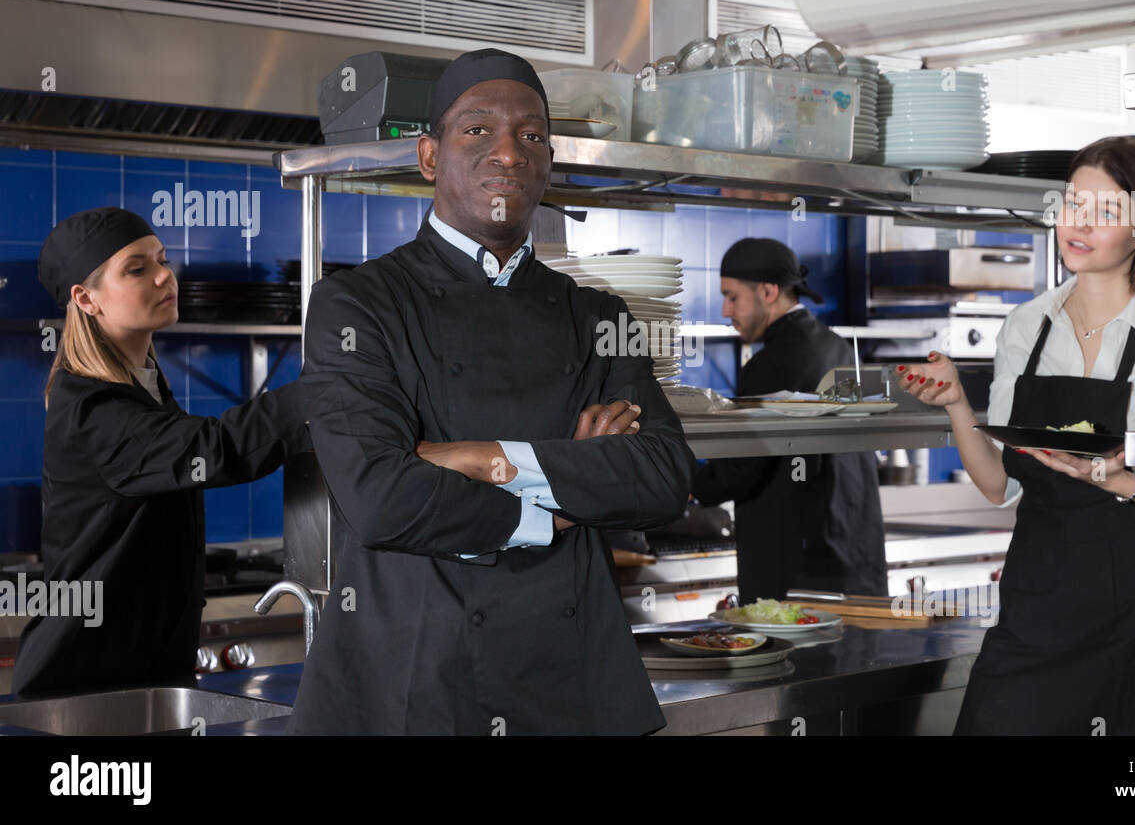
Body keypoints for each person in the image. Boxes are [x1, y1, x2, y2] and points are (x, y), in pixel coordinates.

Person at [286, 48, 695, 736]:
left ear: (548, 161)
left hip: (572, 687)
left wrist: (474, 456)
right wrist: (559, 504)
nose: (508, 152)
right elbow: (382, 499)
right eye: (478, 129)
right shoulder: (356, 305)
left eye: (531, 135)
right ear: (427, 156)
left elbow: (662, 479)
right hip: (414, 685)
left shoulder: (598, 317)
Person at [900, 136, 1135, 735]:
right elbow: (1000, 484)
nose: (1077, 224)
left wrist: (1121, 481)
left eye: (1105, 212)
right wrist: (957, 404)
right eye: (1073, 203)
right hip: (1040, 611)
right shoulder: (1026, 326)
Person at [13, 207, 311, 696]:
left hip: (144, 675)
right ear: (86, 299)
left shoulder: (143, 389)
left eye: (162, 260)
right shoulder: (92, 407)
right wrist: (326, 391)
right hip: (83, 684)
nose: (163, 276)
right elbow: (212, 450)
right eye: (137, 268)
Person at [691, 238, 887, 600]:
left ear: (767, 292)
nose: (724, 310)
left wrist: (686, 483)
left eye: (732, 297)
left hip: (800, 571)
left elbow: (742, 467)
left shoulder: (770, 366)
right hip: (855, 555)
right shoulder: (837, 346)